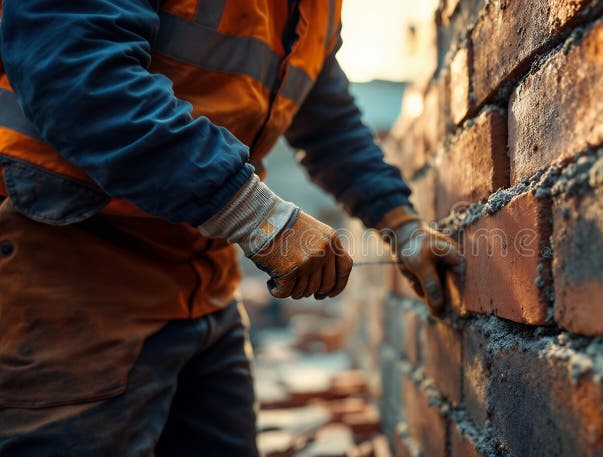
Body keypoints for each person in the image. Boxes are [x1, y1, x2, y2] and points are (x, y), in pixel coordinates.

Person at [0, 1, 463, 455]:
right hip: (67, 274)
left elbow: (331, 125)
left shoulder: (315, 10)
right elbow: (77, 72)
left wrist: (400, 223)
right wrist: (258, 217)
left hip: (204, 283)